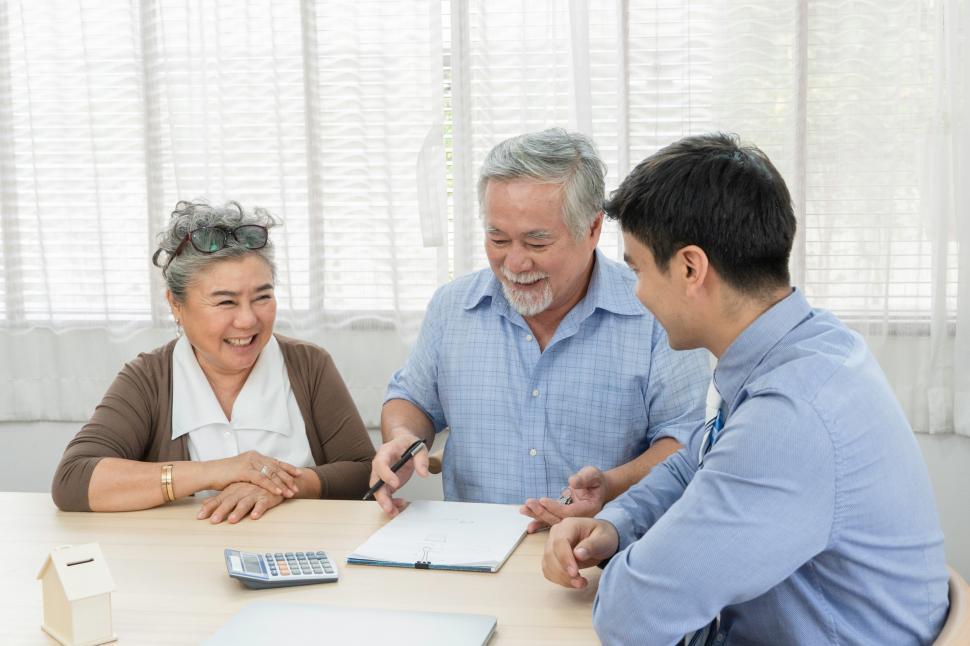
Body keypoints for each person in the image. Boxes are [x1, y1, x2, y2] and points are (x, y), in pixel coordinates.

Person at [541, 133, 949, 645]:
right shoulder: (806, 344)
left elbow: (632, 614)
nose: (637, 291)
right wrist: (620, 523)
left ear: (691, 268)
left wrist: (635, 558)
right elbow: (698, 461)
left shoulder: (790, 418)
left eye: (638, 269)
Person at [369, 128, 710, 527]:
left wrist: (611, 485)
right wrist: (402, 438)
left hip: (603, 550)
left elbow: (685, 443)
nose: (514, 264)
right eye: (498, 239)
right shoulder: (453, 307)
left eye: (536, 243)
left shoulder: (653, 312)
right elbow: (411, 400)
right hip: (471, 548)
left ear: (593, 229)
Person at [52, 200, 375, 523]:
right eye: (225, 302)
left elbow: (364, 472)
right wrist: (216, 472)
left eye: (262, 297)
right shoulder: (149, 377)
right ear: (176, 305)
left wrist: (282, 486)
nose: (248, 320)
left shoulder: (309, 365)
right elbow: (74, 480)